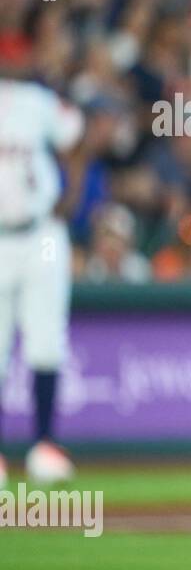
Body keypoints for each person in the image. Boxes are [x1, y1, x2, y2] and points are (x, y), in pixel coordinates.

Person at [0, 79, 88, 489]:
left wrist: (71, 193)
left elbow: (76, 138)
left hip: (41, 234)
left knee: (46, 342)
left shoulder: (35, 99)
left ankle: (44, 444)